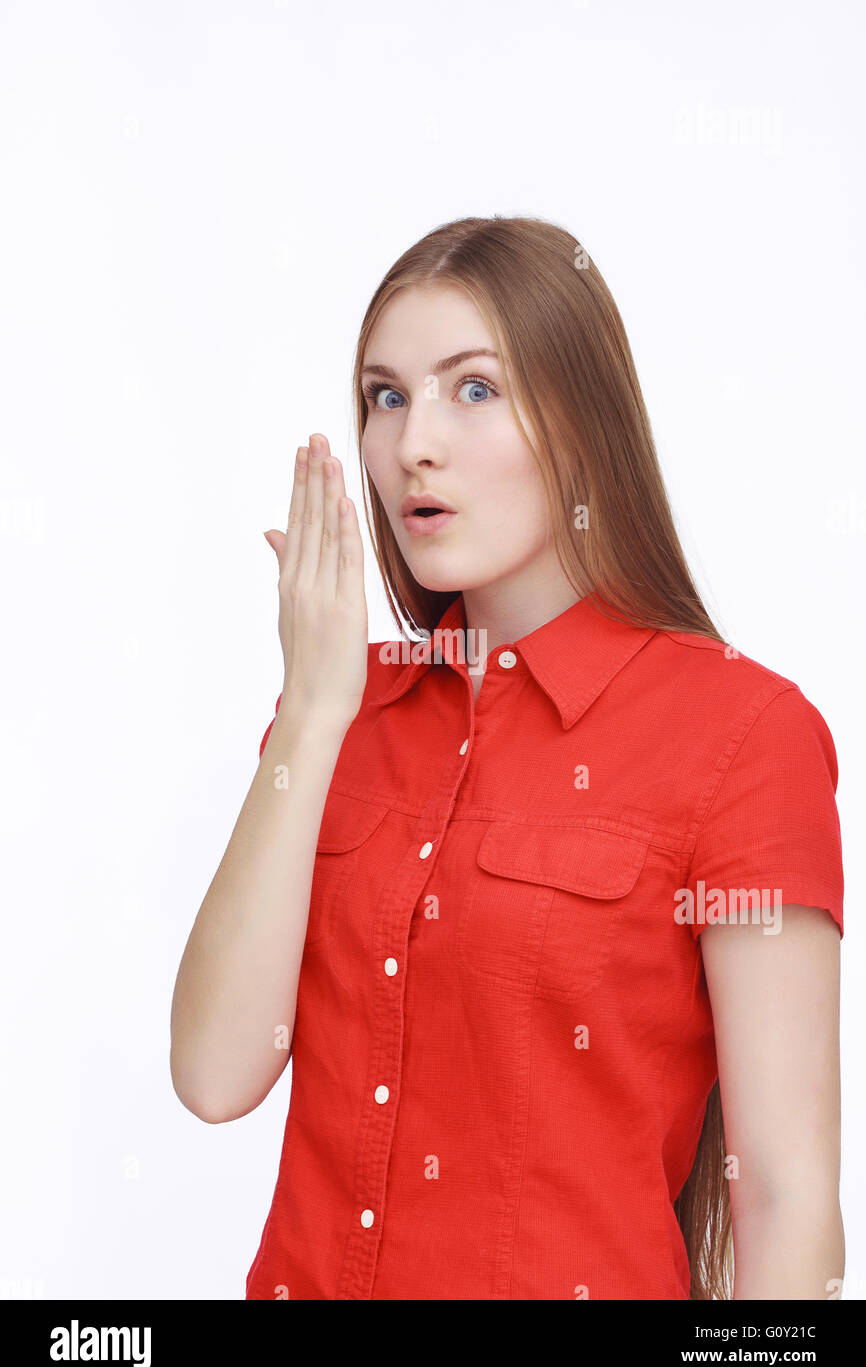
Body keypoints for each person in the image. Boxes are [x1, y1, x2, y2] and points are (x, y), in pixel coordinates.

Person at [170, 216, 845, 1300]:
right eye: (384, 396)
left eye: (470, 388)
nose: (410, 445)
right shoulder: (340, 718)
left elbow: (783, 1194)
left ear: (580, 421)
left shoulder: (743, 736)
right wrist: (310, 712)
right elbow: (213, 1073)